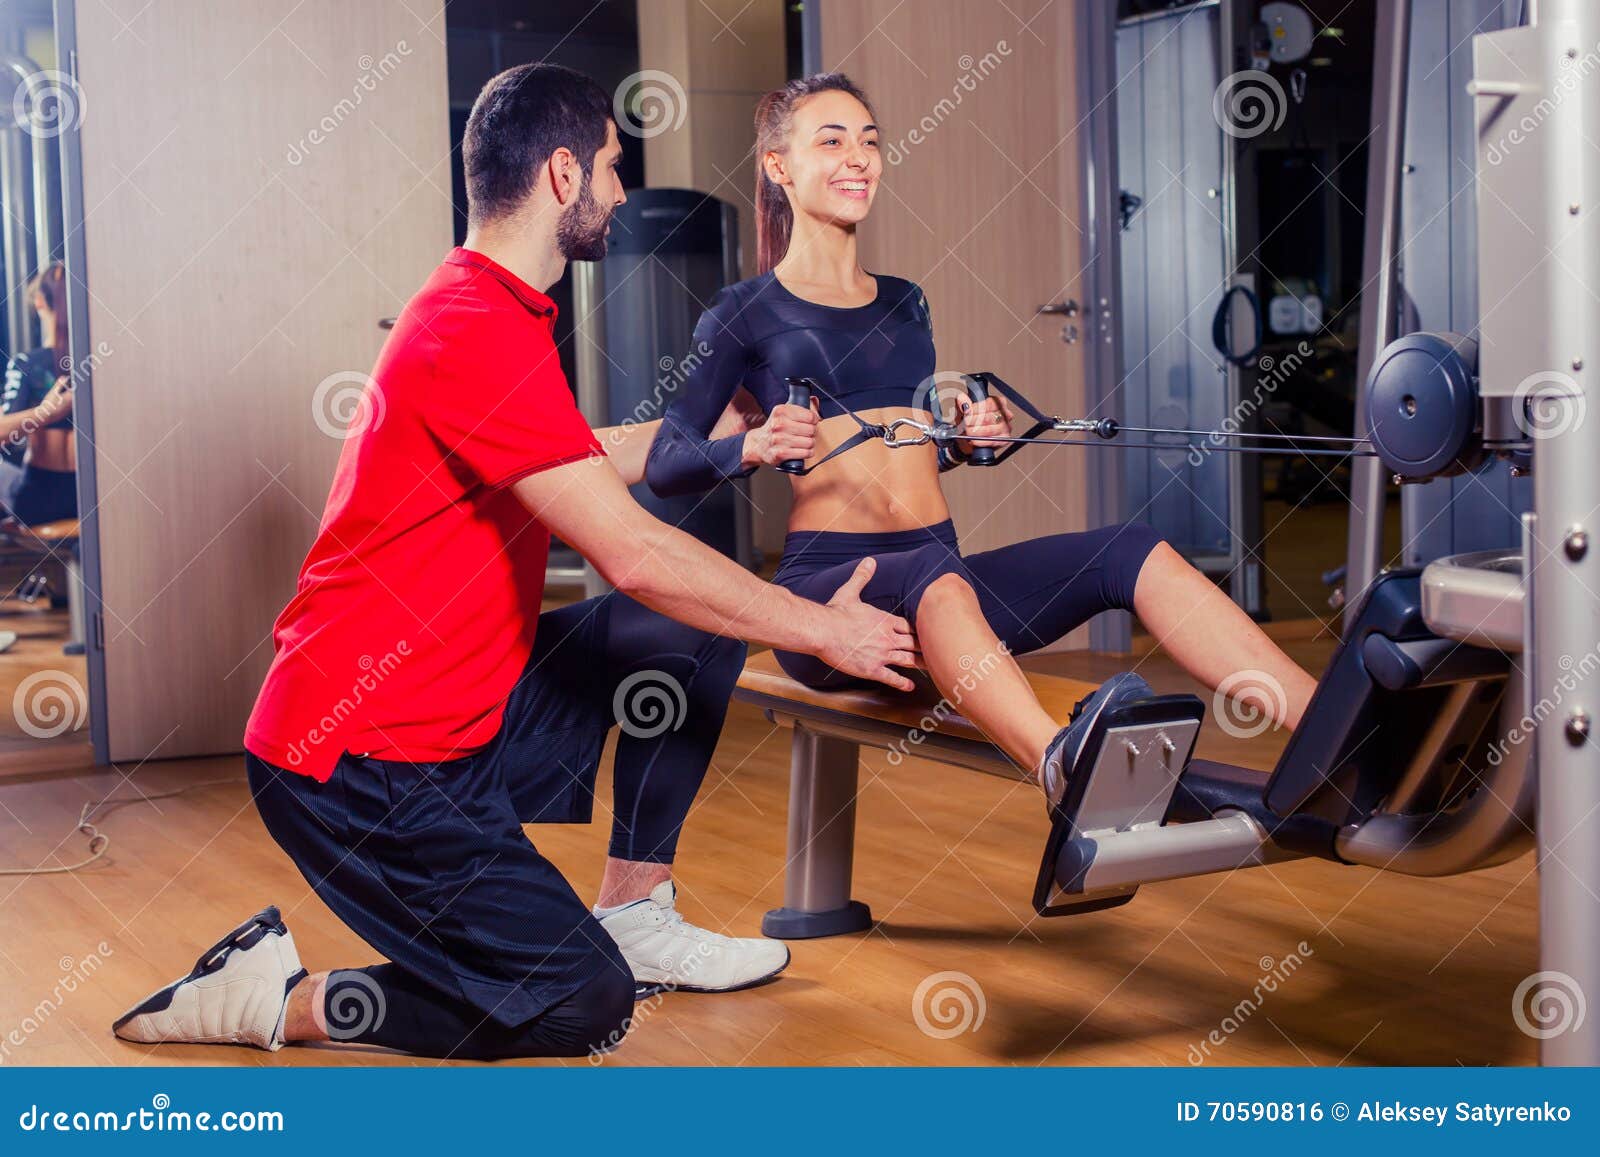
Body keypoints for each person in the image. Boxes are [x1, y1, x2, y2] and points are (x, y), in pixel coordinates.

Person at [112, 64, 916, 1062]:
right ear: (565, 174)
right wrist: (820, 626)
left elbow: (571, 454)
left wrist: (738, 434)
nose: (621, 195)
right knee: (578, 1002)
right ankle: (282, 995)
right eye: (615, 170)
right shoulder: (473, 327)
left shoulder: (492, 307)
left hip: (460, 720)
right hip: (360, 761)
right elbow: (629, 551)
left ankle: (630, 906)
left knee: (680, 637)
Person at [645, 73, 1320, 812]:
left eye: (870, 141)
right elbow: (667, 461)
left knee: (1130, 550)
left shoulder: (906, 300)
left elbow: (900, 449)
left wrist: (964, 442)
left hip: (942, 583)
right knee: (933, 578)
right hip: (832, 598)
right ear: (780, 166)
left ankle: (1335, 731)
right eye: (832, 141)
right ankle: (1067, 773)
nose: (859, 158)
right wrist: (751, 447)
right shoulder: (743, 311)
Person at [1, 264, 78, 527]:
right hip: (88, 496)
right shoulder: (96, 364)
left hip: (38, 500)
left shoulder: (26, 363)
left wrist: (46, 412)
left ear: (40, 302)